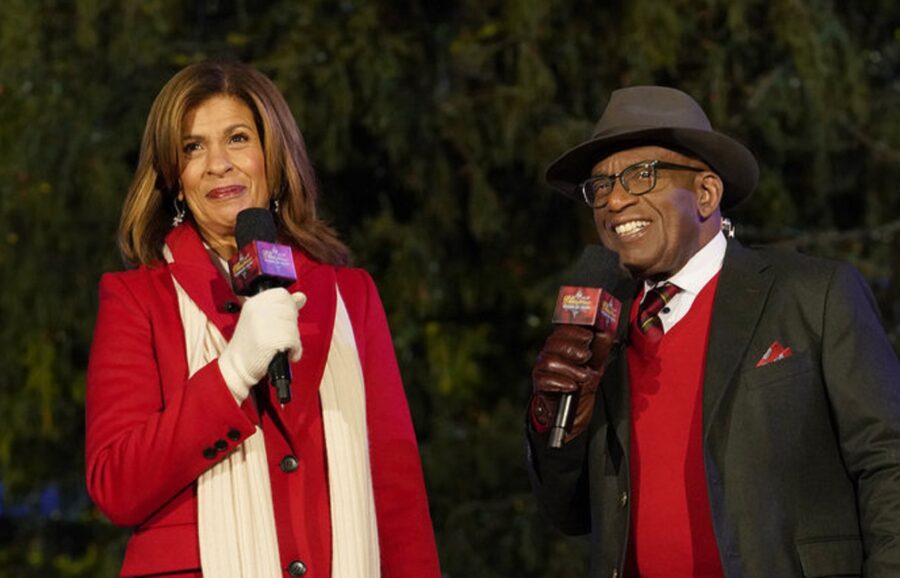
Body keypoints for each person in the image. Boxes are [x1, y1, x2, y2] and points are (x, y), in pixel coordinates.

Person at [85, 60, 441, 578]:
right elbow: (116, 485)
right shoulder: (136, 298)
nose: (218, 164)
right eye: (192, 148)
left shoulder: (350, 295)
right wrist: (231, 374)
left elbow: (396, 491)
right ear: (174, 179)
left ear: (273, 158)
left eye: (237, 138)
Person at [526, 85, 900, 577]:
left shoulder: (813, 294)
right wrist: (556, 422)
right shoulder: (600, 335)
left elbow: (888, 463)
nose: (613, 201)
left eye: (641, 175)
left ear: (706, 192)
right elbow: (568, 513)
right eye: (599, 187)